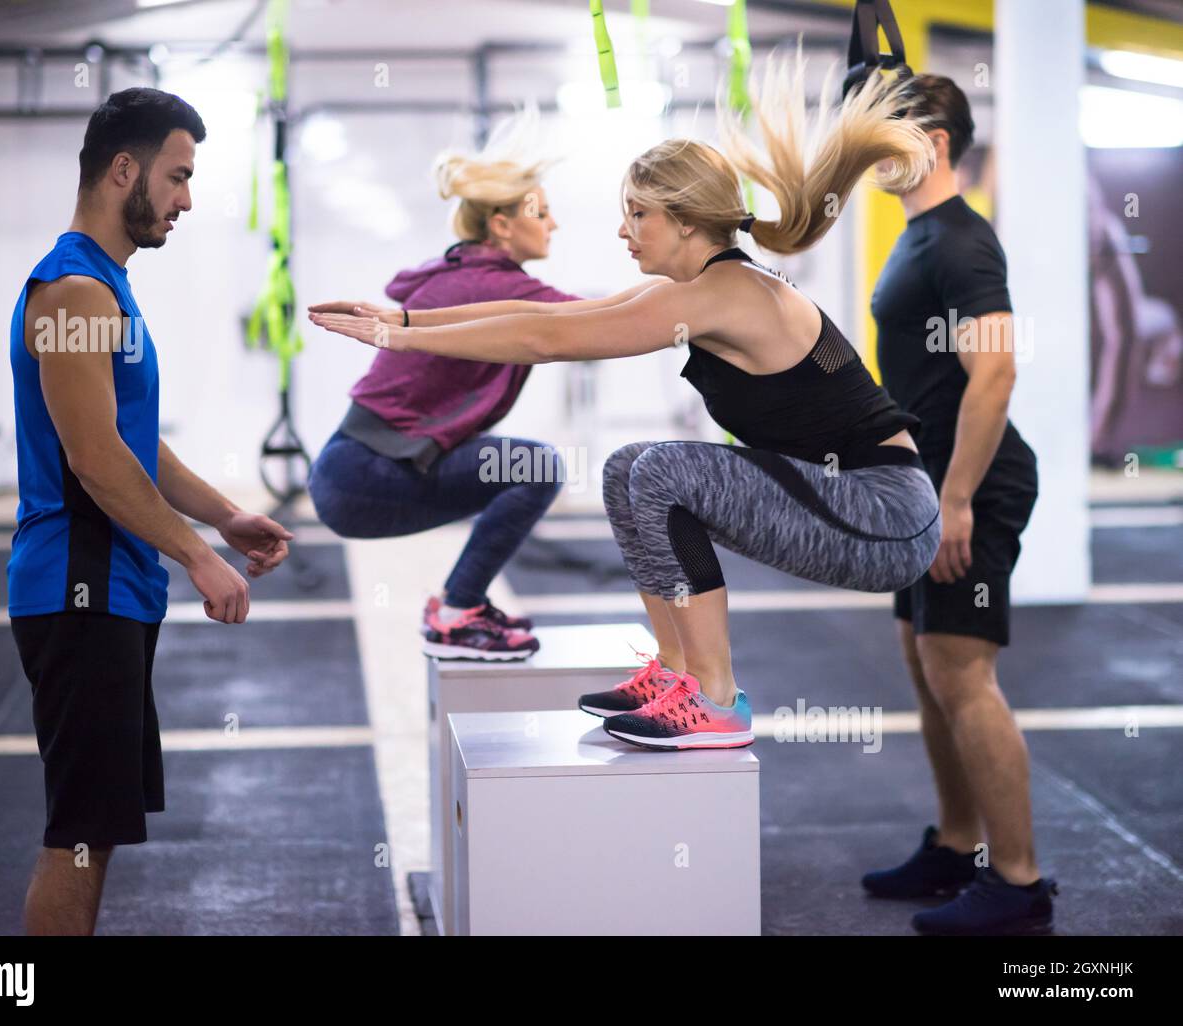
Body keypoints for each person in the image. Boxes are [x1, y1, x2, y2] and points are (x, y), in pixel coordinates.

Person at [312, 56, 940, 749]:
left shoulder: (730, 294)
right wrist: (401, 325)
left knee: (664, 470)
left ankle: (716, 700)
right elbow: (538, 315)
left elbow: (548, 336)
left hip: (885, 516)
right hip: (845, 499)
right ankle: (677, 673)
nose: (623, 231)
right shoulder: (700, 290)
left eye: (638, 215)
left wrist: (397, 334)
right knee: (626, 467)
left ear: (685, 219)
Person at [8, 87, 293, 935]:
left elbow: (132, 444)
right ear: (122, 170)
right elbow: (95, 462)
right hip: (77, 588)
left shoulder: (107, 288)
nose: (187, 200)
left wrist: (226, 517)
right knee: (79, 836)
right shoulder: (72, 292)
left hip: (107, 588)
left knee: (94, 832)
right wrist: (197, 557)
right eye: (177, 176)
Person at [308, 107, 648, 660]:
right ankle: (457, 609)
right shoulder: (497, 286)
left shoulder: (454, 272)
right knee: (537, 468)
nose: (553, 224)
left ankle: (459, 606)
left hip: (346, 472)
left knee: (523, 468)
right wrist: (701, 296)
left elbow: (598, 314)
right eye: (542, 212)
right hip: (371, 473)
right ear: (501, 224)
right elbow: (606, 321)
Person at [863, 73, 1057, 936]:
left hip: (971, 486)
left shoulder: (963, 243)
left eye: (887, 133)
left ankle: (1017, 886)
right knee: (924, 665)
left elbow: (997, 371)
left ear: (935, 142)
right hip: (929, 485)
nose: (869, 151)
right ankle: (956, 846)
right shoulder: (918, 235)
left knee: (962, 675)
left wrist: (958, 500)